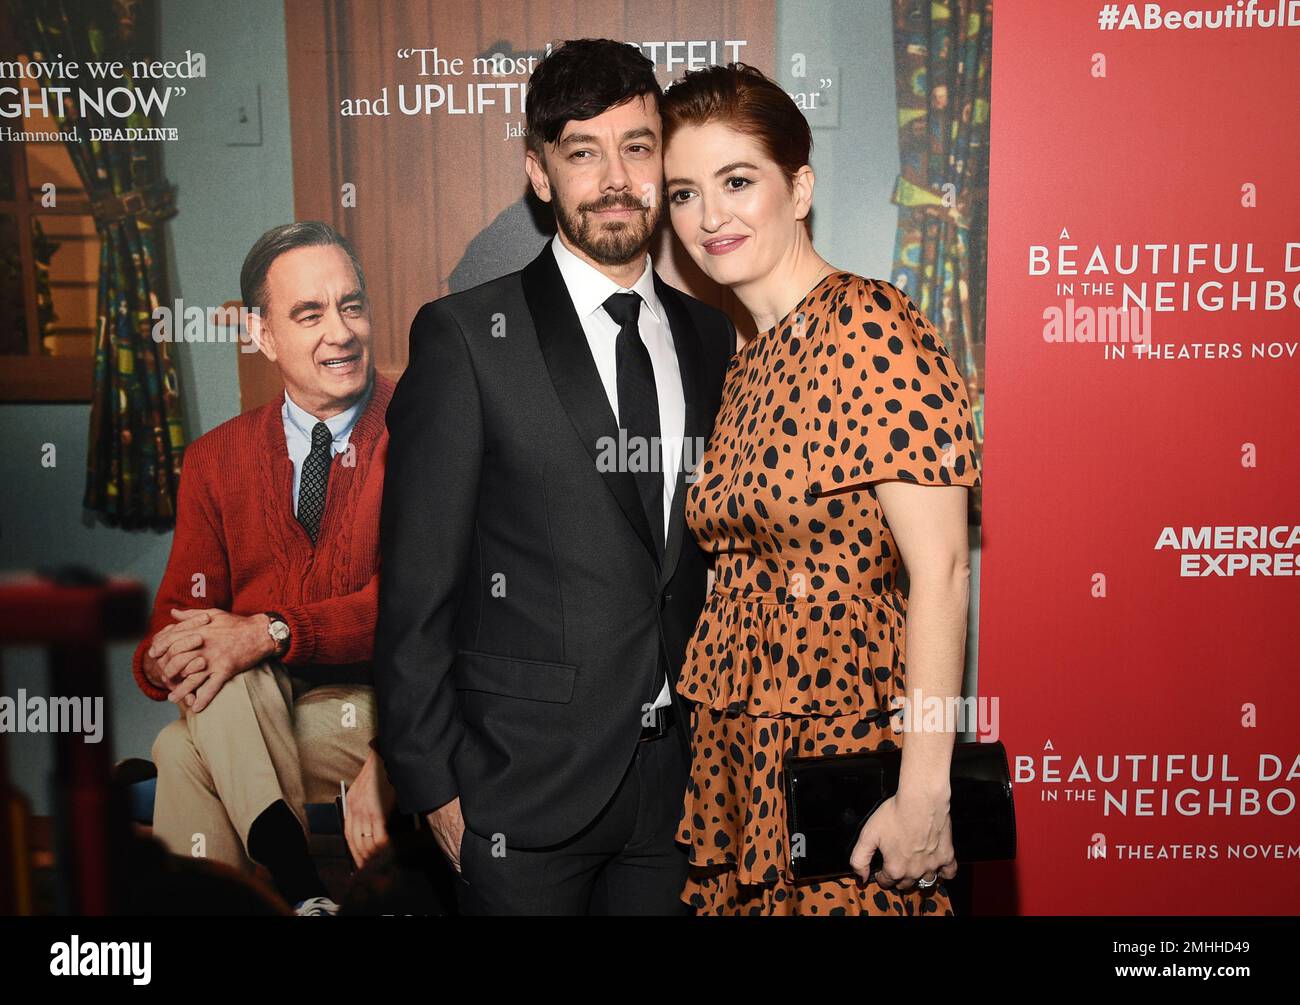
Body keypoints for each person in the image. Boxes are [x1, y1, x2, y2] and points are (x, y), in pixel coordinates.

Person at [374, 38, 736, 915]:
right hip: (519, 796)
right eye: (584, 151)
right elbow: (417, 585)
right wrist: (431, 784)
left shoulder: (708, 334)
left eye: (637, 147)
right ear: (540, 173)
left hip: (677, 792)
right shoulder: (465, 339)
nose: (615, 177)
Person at [661, 63, 982, 915]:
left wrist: (923, 795)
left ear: (798, 187)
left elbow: (942, 569)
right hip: (742, 763)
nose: (709, 216)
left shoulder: (868, 323)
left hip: (843, 752)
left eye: (737, 181)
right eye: (684, 193)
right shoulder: (746, 363)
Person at [133, 222, 397, 915]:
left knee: (180, 747)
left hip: (376, 716)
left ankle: (289, 884)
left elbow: (413, 607)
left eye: (351, 304)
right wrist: (170, 655)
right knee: (215, 684)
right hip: (251, 714)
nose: (340, 332)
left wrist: (269, 631)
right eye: (309, 313)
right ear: (261, 335)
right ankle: (305, 894)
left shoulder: (422, 424)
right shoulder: (216, 458)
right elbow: (179, 614)